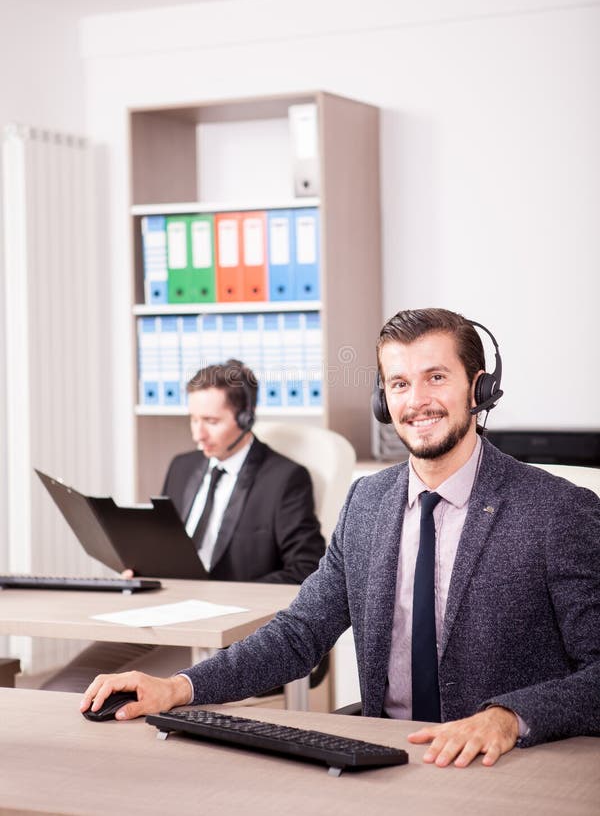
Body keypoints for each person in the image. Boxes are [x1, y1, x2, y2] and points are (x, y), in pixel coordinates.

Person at [80, 309, 600, 768]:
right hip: (387, 759)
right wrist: (177, 687)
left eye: (436, 377)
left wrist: (508, 718)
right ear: (382, 398)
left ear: (479, 388)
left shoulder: (557, 511)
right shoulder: (366, 504)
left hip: (503, 765)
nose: (417, 401)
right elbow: (299, 634)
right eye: (398, 384)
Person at [44, 359, 325, 690]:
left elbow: (306, 569)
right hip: (161, 619)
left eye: (211, 421)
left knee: (121, 694)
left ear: (246, 417)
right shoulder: (182, 467)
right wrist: (139, 565)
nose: (197, 434)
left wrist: (221, 599)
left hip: (228, 637)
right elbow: (167, 544)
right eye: (193, 419)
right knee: (62, 688)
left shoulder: (284, 479)